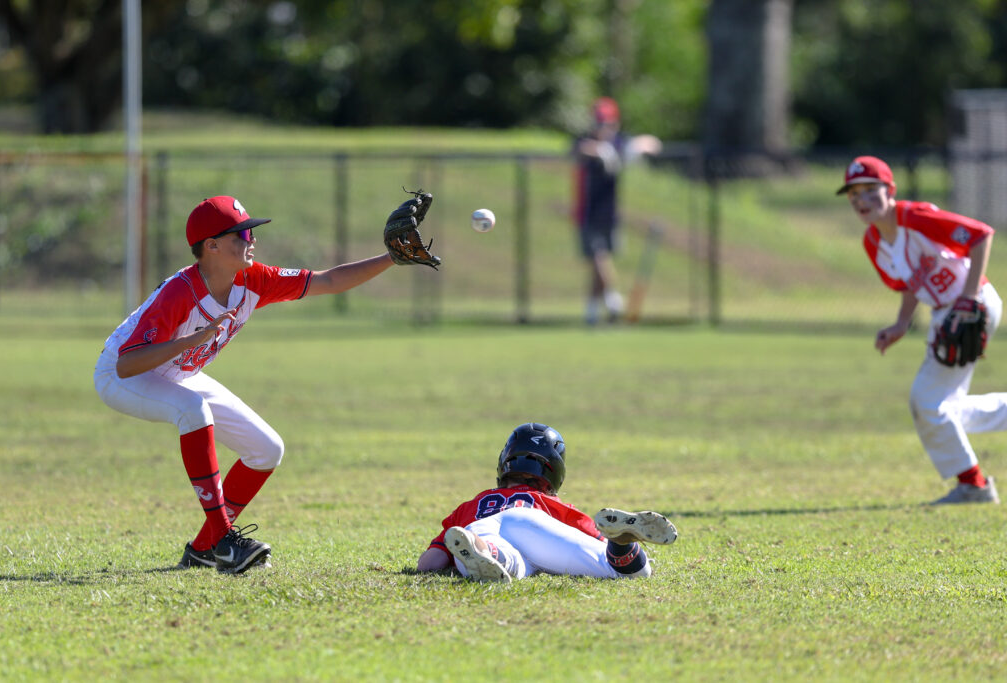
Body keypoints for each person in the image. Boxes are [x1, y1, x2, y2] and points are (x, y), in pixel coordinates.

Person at [94, 193, 436, 574]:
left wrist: (392, 257)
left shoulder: (252, 279)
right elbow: (127, 364)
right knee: (192, 410)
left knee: (266, 449)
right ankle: (225, 540)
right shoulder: (180, 292)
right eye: (240, 234)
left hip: (178, 373)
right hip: (123, 376)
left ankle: (205, 549)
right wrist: (189, 342)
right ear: (211, 246)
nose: (250, 239)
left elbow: (328, 280)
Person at [839, 155, 1007, 504]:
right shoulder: (873, 243)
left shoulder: (914, 217)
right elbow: (907, 284)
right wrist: (902, 323)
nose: (861, 199)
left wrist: (968, 297)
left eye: (870, 189)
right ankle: (972, 484)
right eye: (853, 193)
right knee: (943, 407)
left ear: (891, 190)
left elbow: (980, 236)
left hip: (970, 304)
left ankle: (974, 485)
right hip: (946, 313)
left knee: (927, 401)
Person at [416, 423, 678, 582]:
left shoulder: (473, 504)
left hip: (480, 527)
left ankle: (483, 550)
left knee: (503, 559)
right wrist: (606, 543)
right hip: (531, 521)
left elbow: (431, 563)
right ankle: (621, 544)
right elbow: (593, 537)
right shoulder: (546, 502)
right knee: (618, 568)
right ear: (555, 471)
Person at [571, 96, 662, 325]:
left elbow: (649, 143)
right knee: (598, 258)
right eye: (599, 123)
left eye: (607, 124)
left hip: (609, 214)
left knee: (600, 261)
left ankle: (592, 312)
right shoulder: (587, 143)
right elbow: (581, 149)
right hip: (587, 213)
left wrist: (638, 147)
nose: (603, 128)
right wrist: (601, 151)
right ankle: (612, 300)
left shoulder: (617, 144)